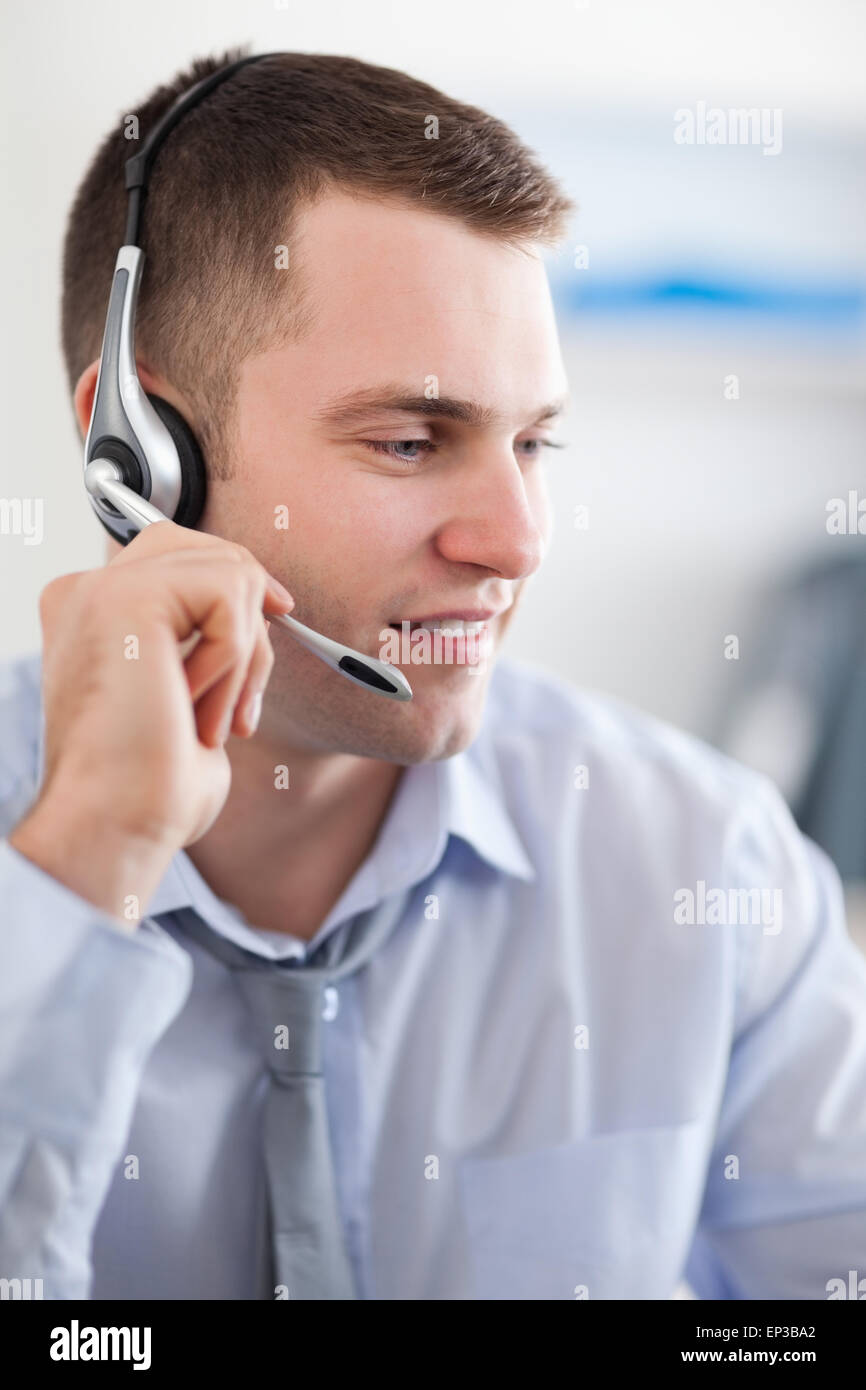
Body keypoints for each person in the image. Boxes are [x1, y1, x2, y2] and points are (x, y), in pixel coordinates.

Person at [1, 48, 864, 1303]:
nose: (514, 542)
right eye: (410, 440)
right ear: (137, 457)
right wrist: (80, 868)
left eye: (532, 443)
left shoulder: (705, 867)